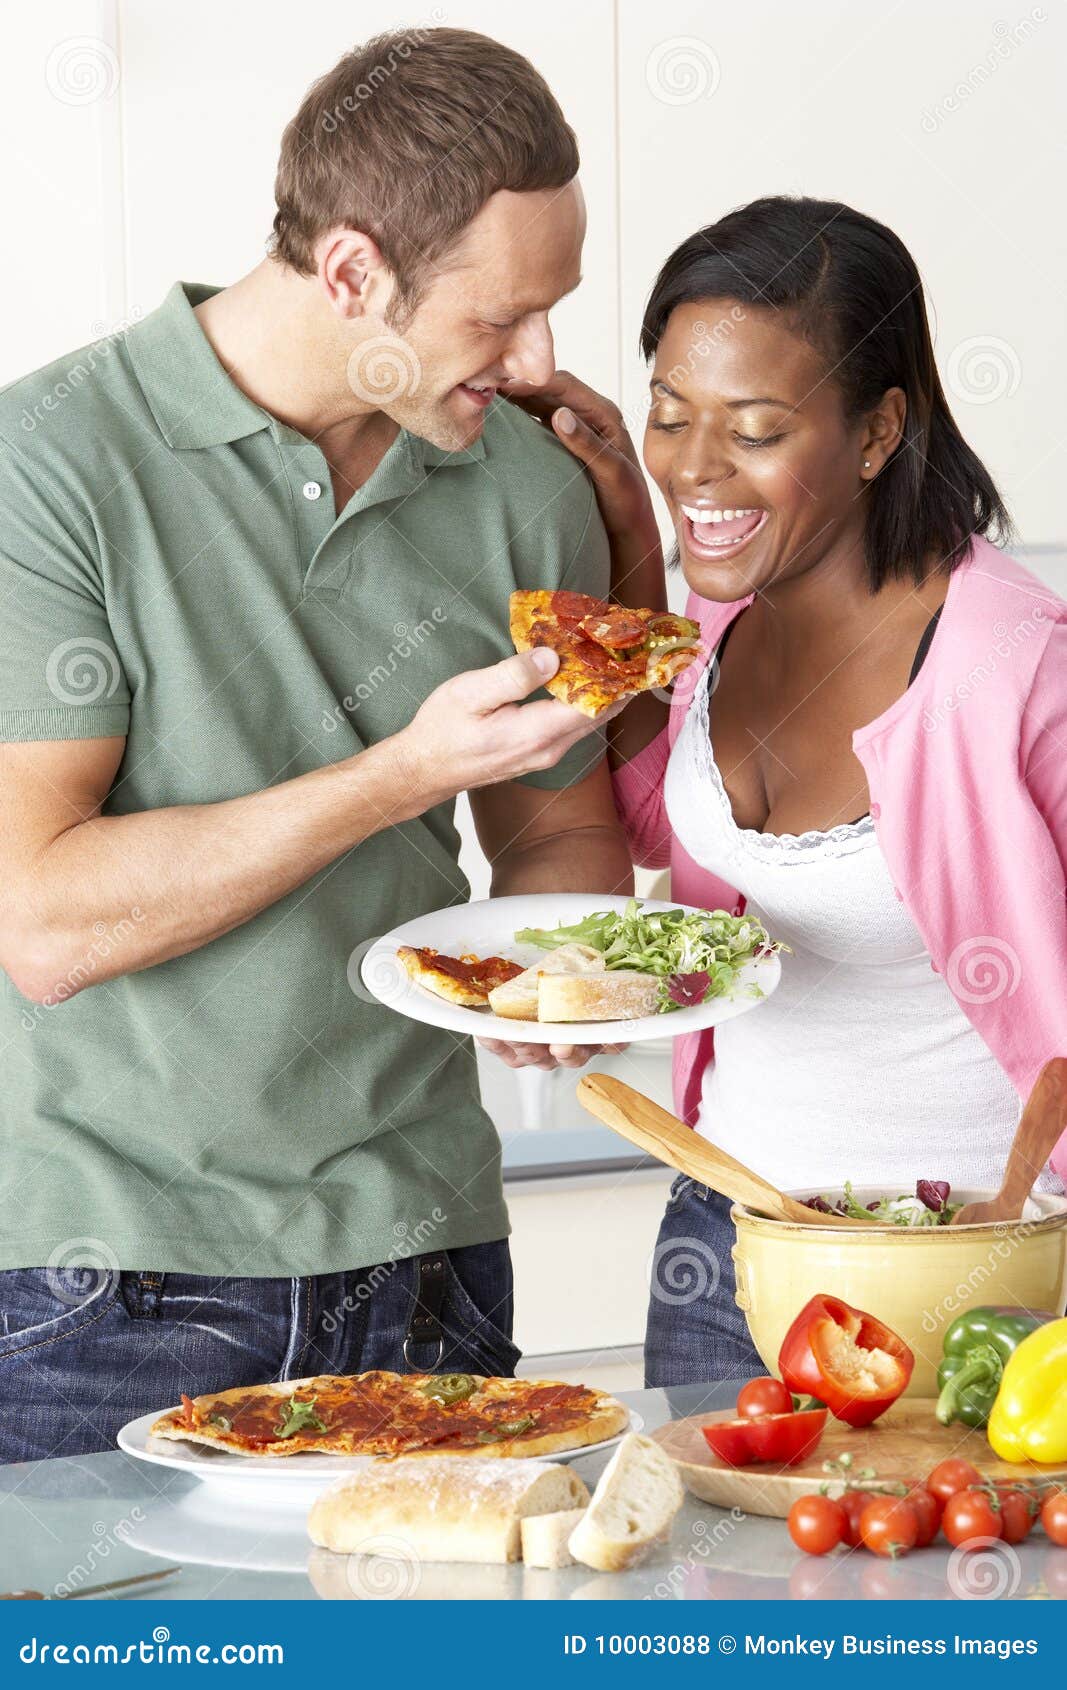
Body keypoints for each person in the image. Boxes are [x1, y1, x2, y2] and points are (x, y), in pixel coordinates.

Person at [0, 28, 633, 1461]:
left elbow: (556, 827)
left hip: (427, 1265)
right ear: (353, 274)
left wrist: (582, 968)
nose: (537, 359)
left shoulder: (525, 486)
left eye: (551, 309)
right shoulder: (48, 462)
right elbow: (43, 917)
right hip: (106, 1281)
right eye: (498, 318)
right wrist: (399, 773)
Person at [513, 196, 1067, 1386]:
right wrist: (623, 519)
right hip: (730, 1241)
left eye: (753, 429)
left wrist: (1017, 1232)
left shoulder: (1015, 667)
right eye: (669, 418)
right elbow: (662, 818)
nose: (694, 467)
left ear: (875, 434)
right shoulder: (719, 612)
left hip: (981, 1265)